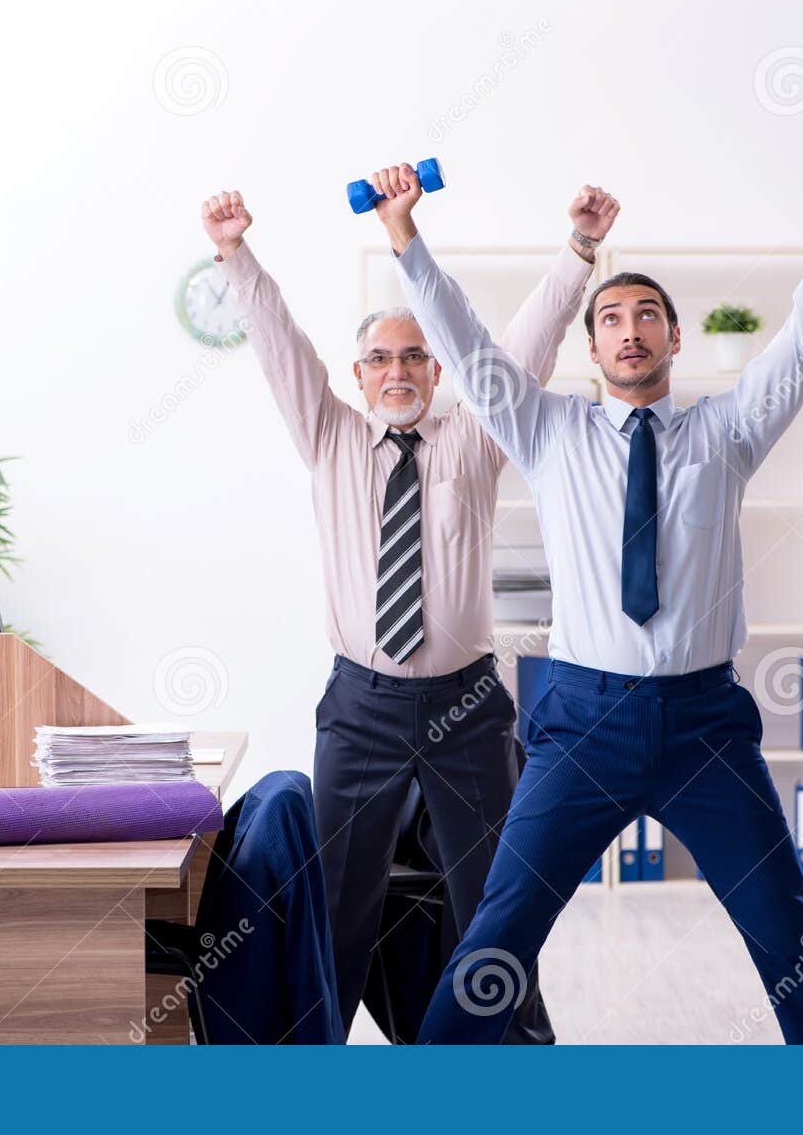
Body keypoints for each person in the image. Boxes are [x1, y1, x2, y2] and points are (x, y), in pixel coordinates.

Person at [366, 150, 803, 1044]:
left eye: (648, 315)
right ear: (592, 345)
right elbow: (465, 343)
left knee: (785, 932)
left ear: (675, 340)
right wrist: (405, 235)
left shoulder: (728, 430)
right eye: (612, 317)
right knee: (501, 933)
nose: (631, 328)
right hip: (583, 724)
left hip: (704, 727)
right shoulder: (548, 428)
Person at [200, 184, 616, 1040]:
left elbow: (521, 355)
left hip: (467, 708)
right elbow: (280, 346)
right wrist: (237, 255)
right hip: (361, 710)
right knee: (338, 912)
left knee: (496, 902)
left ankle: (517, 1061)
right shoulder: (331, 437)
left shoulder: (473, 437)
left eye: (416, 357)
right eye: (382, 359)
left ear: (438, 371)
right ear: (359, 377)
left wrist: (578, 251)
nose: (398, 371)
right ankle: (316, 1064)